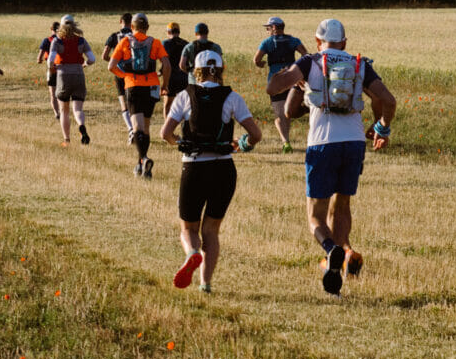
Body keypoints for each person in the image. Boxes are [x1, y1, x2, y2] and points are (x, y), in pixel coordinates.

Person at [265, 18, 397, 296]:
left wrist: (290, 77)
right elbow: (388, 100)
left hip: (322, 143)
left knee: (315, 216)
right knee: (342, 204)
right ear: (344, 43)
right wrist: (381, 128)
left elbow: (273, 89)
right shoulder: (359, 64)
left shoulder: (310, 61)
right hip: (354, 143)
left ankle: (331, 249)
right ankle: (340, 260)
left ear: (317, 42)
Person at [158, 50, 262, 293]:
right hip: (223, 168)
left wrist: (178, 142)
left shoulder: (185, 95)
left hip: (194, 167)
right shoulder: (232, 97)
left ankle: (192, 253)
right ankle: (205, 284)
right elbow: (256, 135)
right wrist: (243, 144)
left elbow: (165, 133)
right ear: (221, 70)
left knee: (188, 228)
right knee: (211, 230)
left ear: (197, 71)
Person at [108, 13, 168, 178]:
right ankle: (141, 165)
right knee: (145, 128)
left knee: (137, 128)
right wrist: (164, 85)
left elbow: (111, 66)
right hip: (152, 86)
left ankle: (144, 158)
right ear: (147, 27)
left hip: (133, 86)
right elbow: (167, 65)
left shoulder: (125, 42)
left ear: (132, 27)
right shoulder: (155, 42)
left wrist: (124, 76)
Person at [254, 17, 309, 152]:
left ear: (274, 28)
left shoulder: (267, 42)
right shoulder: (293, 40)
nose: (267, 31)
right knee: (291, 111)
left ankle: (286, 142)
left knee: (280, 115)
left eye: (268, 28)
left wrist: (261, 64)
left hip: (276, 82)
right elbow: (306, 55)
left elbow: (256, 59)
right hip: (292, 79)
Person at [50, 17, 95, 146]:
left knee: (64, 110)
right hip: (79, 75)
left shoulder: (57, 41)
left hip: (63, 76)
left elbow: (50, 60)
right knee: (78, 109)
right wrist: (85, 64)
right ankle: (81, 125)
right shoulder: (81, 41)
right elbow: (92, 59)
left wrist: (52, 68)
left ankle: (67, 140)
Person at [102, 12, 135, 139]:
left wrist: (114, 62)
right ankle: (137, 128)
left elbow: (104, 56)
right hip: (135, 73)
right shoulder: (136, 36)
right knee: (134, 101)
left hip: (120, 72)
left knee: (123, 101)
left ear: (120, 21)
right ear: (132, 23)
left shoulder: (114, 36)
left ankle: (130, 130)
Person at [161, 22, 190, 118]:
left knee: (168, 104)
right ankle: (184, 124)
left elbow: (165, 62)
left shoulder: (165, 43)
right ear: (179, 32)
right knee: (184, 105)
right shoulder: (186, 44)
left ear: (168, 32)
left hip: (171, 78)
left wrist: (161, 71)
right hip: (184, 77)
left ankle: (167, 125)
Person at [37, 19, 64, 121]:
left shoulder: (47, 40)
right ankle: (63, 111)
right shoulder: (63, 40)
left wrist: (40, 60)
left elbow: (39, 57)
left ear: (51, 29)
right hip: (62, 68)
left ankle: (57, 113)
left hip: (51, 68)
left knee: (53, 93)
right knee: (62, 92)